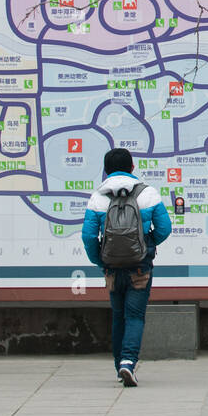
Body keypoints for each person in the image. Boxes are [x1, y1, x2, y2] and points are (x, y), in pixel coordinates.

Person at [81, 148, 172, 386]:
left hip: (111, 267)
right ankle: (128, 363)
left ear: (106, 170)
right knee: (135, 316)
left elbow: (89, 236)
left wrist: (100, 259)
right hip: (140, 266)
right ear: (132, 167)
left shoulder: (98, 197)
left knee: (119, 316)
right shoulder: (148, 193)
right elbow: (164, 228)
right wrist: (147, 244)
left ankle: (119, 364)